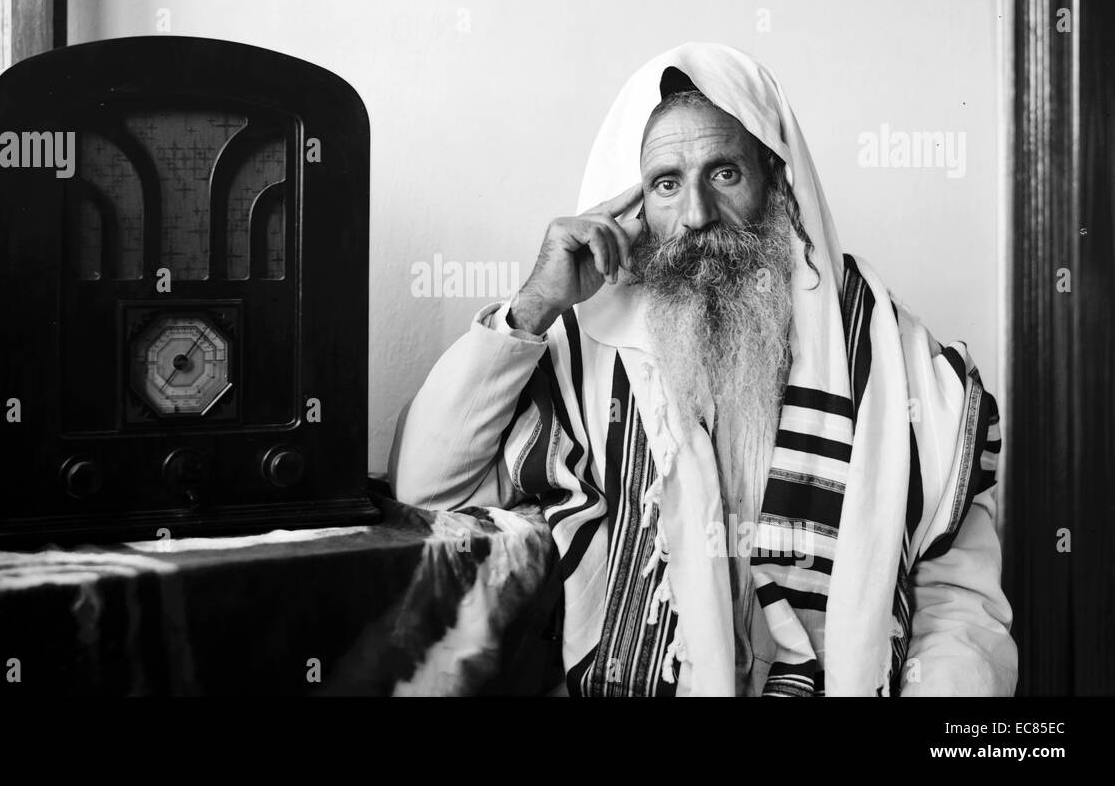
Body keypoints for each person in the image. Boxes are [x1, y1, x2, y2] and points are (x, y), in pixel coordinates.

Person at [389, 43, 1016, 697]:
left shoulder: (890, 355)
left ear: (778, 180)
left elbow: (958, 606)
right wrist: (533, 306)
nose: (694, 215)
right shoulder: (589, 347)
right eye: (666, 183)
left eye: (723, 174)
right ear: (631, 204)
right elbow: (427, 489)